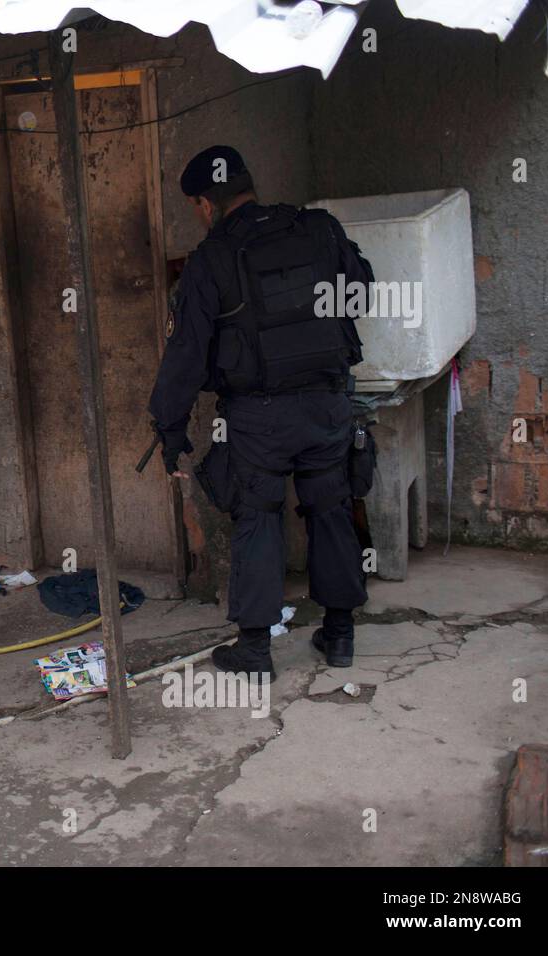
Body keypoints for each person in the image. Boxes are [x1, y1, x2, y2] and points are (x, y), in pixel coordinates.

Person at [148, 145, 373, 678]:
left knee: (257, 519)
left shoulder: (212, 257)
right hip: (326, 405)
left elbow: (186, 354)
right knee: (332, 511)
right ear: (249, 184)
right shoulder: (318, 229)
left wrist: (170, 428)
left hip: (259, 417)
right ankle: (339, 635)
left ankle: (254, 651)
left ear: (205, 204)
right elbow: (360, 294)